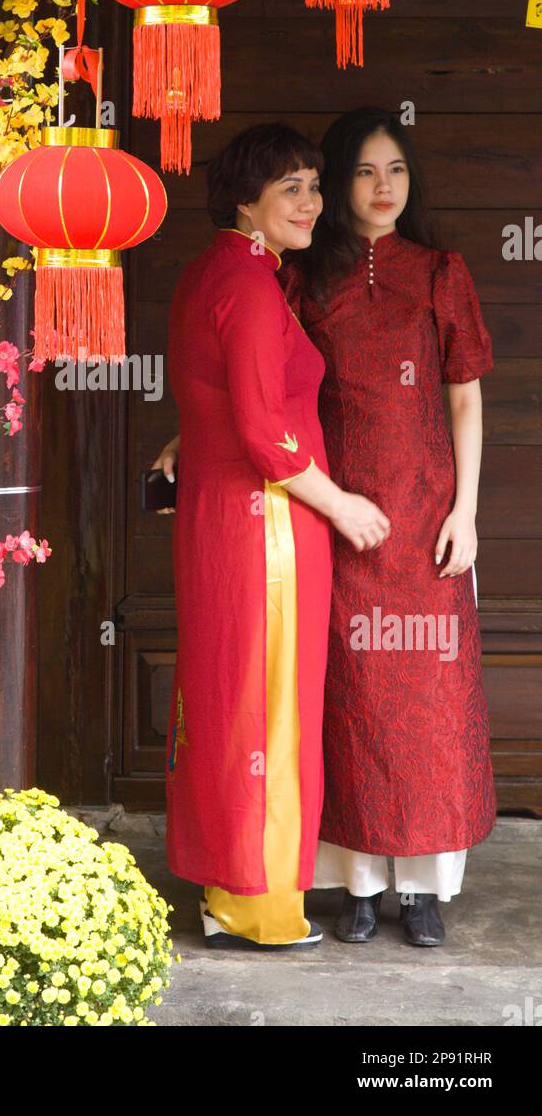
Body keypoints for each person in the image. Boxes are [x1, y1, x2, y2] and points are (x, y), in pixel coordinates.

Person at [156, 108, 496, 948]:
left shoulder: (439, 270)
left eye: (398, 173)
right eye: (363, 174)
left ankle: (423, 891)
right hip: (323, 512)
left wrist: (467, 511)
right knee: (335, 704)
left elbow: (464, 394)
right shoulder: (293, 279)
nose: (382, 189)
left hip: (418, 518)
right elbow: (258, 389)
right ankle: (354, 887)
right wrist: (193, 434)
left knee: (426, 699)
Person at [162, 121, 390, 951]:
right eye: (288, 187)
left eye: (313, 185)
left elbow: (214, 397)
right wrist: (345, 506)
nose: (310, 201)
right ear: (245, 201)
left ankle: (226, 886)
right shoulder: (252, 288)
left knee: (231, 699)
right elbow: (266, 434)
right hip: (267, 531)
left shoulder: (215, 273)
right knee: (268, 708)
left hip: (221, 522)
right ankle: (260, 904)